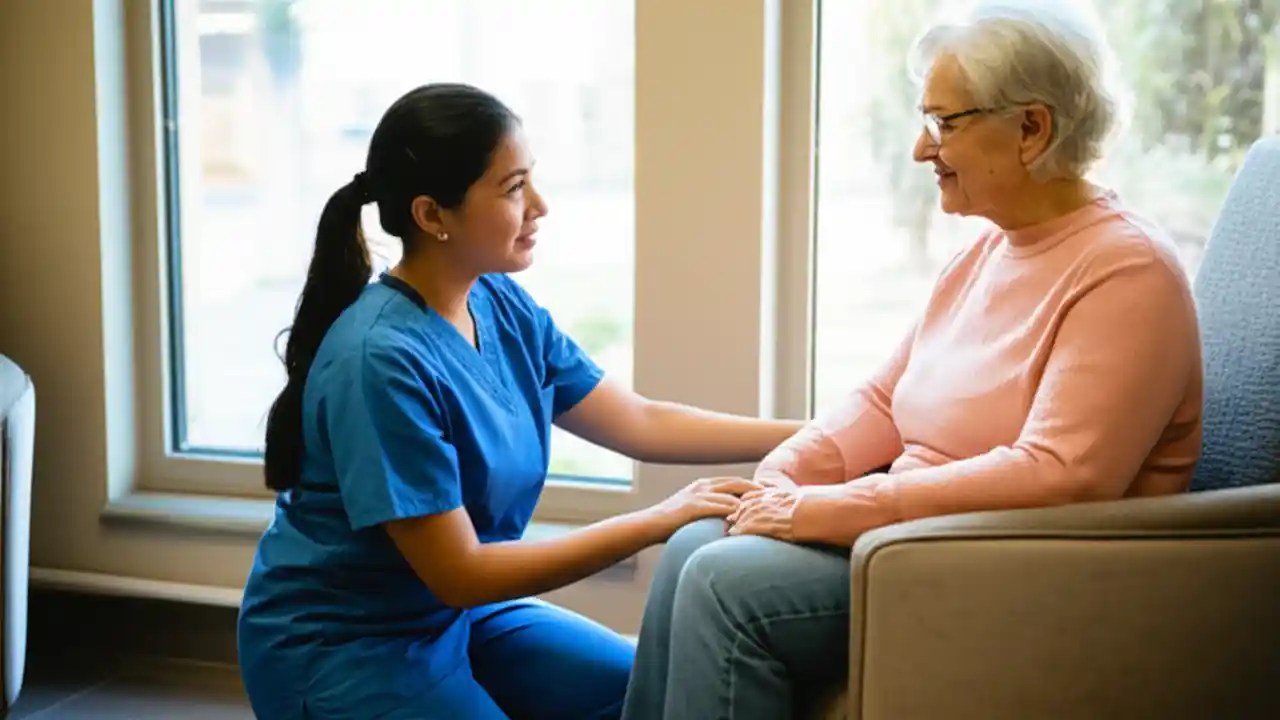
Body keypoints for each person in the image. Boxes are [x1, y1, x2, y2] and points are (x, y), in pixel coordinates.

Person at [621, 3, 1204, 718]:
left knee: (721, 582)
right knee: (695, 542)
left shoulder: (1127, 270)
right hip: (917, 544)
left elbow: (1063, 475)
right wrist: (786, 475)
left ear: (1032, 128)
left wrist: (821, 510)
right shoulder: (987, 252)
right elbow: (880, 399)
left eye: (944, 122)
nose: (922, 150)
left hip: (1023, 568)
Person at [237, 83, 801, 720]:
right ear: (432, 215)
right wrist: (659, 519)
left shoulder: (496, 301)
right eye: (512, 189)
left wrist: (823, 433)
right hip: (345, 643)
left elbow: (639, 422)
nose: (540, 206)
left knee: (652, 693)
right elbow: (461, 572)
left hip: (457, 614)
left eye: (531, 180)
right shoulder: (380, 361)